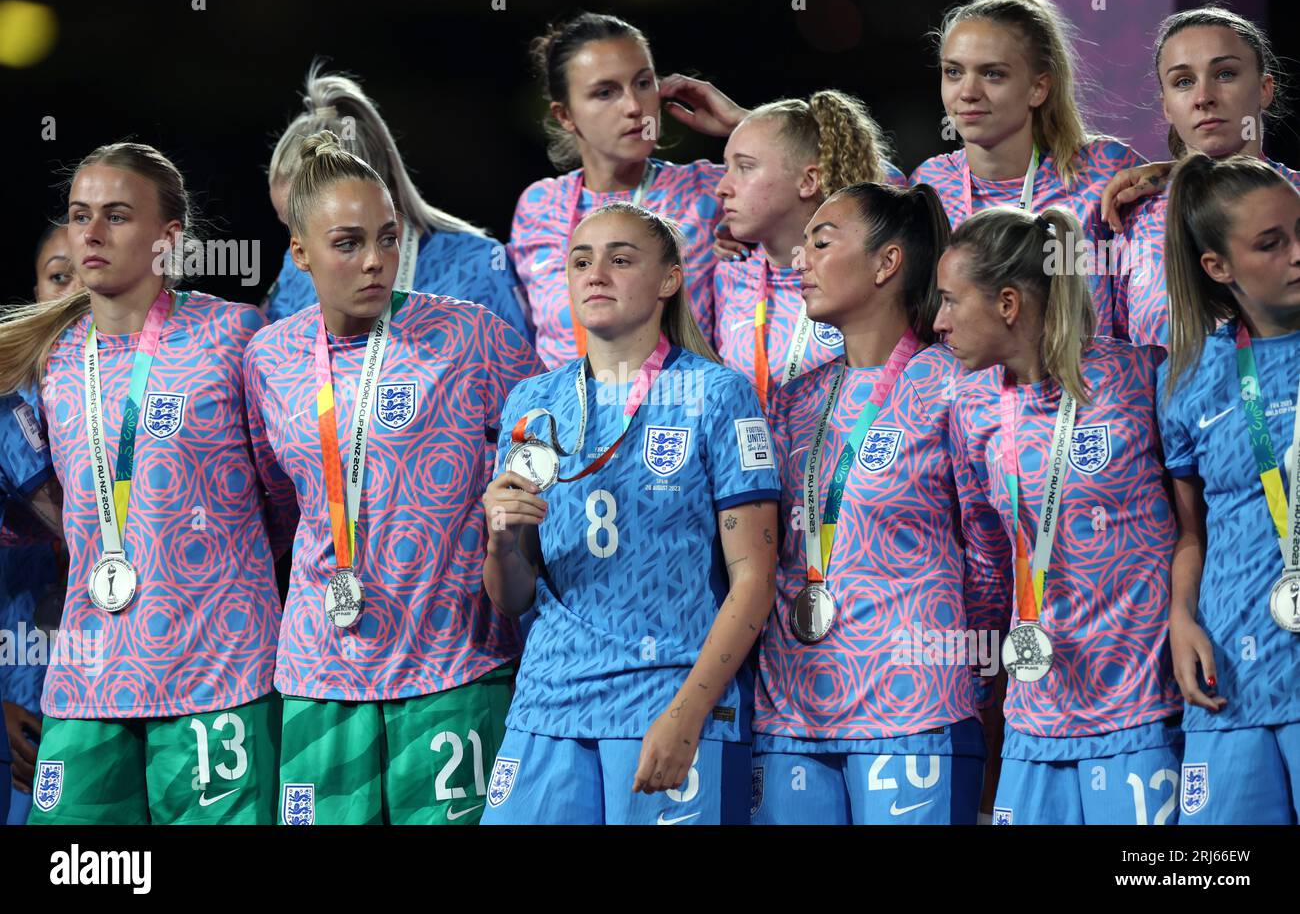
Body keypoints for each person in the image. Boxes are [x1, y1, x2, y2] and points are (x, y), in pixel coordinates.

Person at [244, 131, 544, 825]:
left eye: (386, 237)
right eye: (347, 243)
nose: (376, 261)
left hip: (455, 664)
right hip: (321, 673)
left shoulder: (471, 336)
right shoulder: (268, 359)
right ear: (301, 254)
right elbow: (283, 502)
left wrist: (512, 535)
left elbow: (544, 436)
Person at [0, 142, 290, 824]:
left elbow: (288, 495)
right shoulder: (55, 359)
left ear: (167, 240)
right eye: (79, 214)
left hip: (217, 673)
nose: (91, 233)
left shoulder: (236, 335)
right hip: (86, 680)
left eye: (117, 216)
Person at [481, 201, 778, 824]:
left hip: (664, 697)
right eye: (581, 261)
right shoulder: (533, 403)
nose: (596, 274)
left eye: (621, 260)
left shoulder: (716, 394)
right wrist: (501, 544)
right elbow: (512, 598)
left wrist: (687, 714)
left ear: (670, 279)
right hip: (549, 701)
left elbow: (753, 580)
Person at [751, 181, 1007, 824]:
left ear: (887, 263)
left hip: (915, 703)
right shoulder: (792, 398)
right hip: (792, 706)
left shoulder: (956, 386)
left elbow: (991, 554)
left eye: (821, 242)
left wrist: (956, 655)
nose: (798, 261)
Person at [938, 205, 1183, 824]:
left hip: (1143, 705)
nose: (938, 322)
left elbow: (1194, 523)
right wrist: (970, 682)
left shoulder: (1137, 375)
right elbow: (991, 559)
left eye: (949, 301)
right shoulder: (970, 406)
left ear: (1009, 304)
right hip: (1034, 712)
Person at [1157, 154, 1300, 824]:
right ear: (1218, 267)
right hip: (1232, 679)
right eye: (1271, 244)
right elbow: (1192, 532)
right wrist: (1181, 619)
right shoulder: (1189, 379)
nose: (1298, 254)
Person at [509, 12, 736, 369]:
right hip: (568, 421)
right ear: (565, 115)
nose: (634, 107)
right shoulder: (539, 206)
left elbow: (841, 204)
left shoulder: (709, 189)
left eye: (644, 83)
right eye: (605, 92)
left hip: (684, 415)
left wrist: (744, 123)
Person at [912, 0, 1143, 336]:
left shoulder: (1103, 170)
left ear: (1038, 88)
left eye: (992, 74)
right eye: (954, 72)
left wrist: (1174, 173)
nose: (968, 92)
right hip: (962, 389)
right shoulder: (929, 184)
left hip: (1085, 386)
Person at [262, 63, 530, 339]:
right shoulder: (297, 272)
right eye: (291, 225)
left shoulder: (478, 267)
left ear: (381, 190)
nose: (300, 242)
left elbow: (520, 380)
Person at [1099, 8, 1300, 346]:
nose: (1204, 97)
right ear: (1166, 105)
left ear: (1264, 89)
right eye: (1183, 82)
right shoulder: (1131, 221)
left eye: (1225, 74)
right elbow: (1112, 353)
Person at [711, 93, 908, 410]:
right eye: (726, 167)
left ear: (809, 180)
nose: (722, 187)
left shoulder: (863, 272)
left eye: (745, 167)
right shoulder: (729, 271)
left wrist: (771, 129)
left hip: (841, 456)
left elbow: (884, 189)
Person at [0, 222, 80, 823]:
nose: (79, 288)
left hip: (127, 683)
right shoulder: (6, 406)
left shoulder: (159, 400)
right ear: (34, 292)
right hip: (20, 692)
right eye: (59, 276)